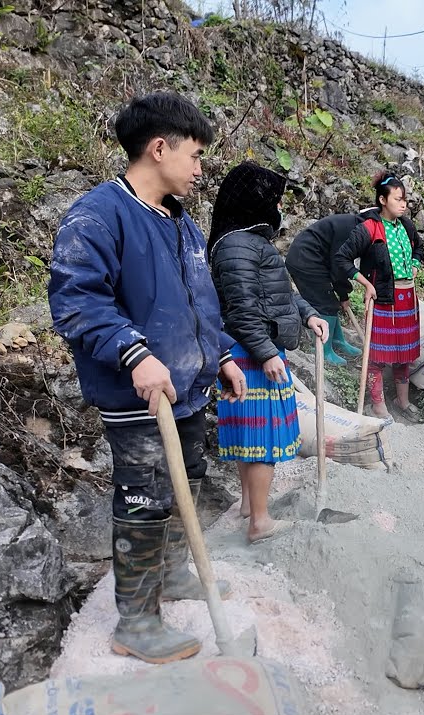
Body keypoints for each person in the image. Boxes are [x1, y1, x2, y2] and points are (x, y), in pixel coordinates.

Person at [48, 92, 247, 664]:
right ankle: (135, 621)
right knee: (145, 497)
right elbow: (77, 302)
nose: (200, 168)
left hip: (186, 390)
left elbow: (199, 304)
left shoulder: (180, 222)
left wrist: (224, 355)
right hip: (140, 395)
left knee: (187, 478)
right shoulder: (98, 215)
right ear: (160, 148)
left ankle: (173, 572)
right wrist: (133, 354)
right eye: (196, 155)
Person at [207, 162, 328, 544]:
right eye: (275, 200)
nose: (279, 207)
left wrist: (308, 314)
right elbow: (241, 308)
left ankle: (248, 503)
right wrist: (266, 354)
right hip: (250, 354)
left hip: (254, 349)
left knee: (250, 434)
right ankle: (260, 521)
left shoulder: (248, 242)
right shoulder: (236, 246)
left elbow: (278, 294)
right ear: (254, 202)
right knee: (263, 440)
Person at [336, 171, 423, 419]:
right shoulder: (369, 228)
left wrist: (415, 264)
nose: (403, 204)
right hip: (383, 300)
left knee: (404, 354)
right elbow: (342, 258)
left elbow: (419, 247)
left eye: (404, 199)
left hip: (408, 301)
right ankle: (378, 405)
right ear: (383, 200)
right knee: (377, 356)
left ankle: (403, 401)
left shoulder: (406, 225)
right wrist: (366, 284)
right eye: (397, 199)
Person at [285, 212, 370, 367]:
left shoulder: (356, 226)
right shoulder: (352, 231)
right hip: (305, 260)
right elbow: (339, 265)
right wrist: (344, 295)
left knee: (330, 300)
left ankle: (337, 340)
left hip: (315, 259)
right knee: (325, 302)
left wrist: (342, 295)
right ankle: (323, 349)